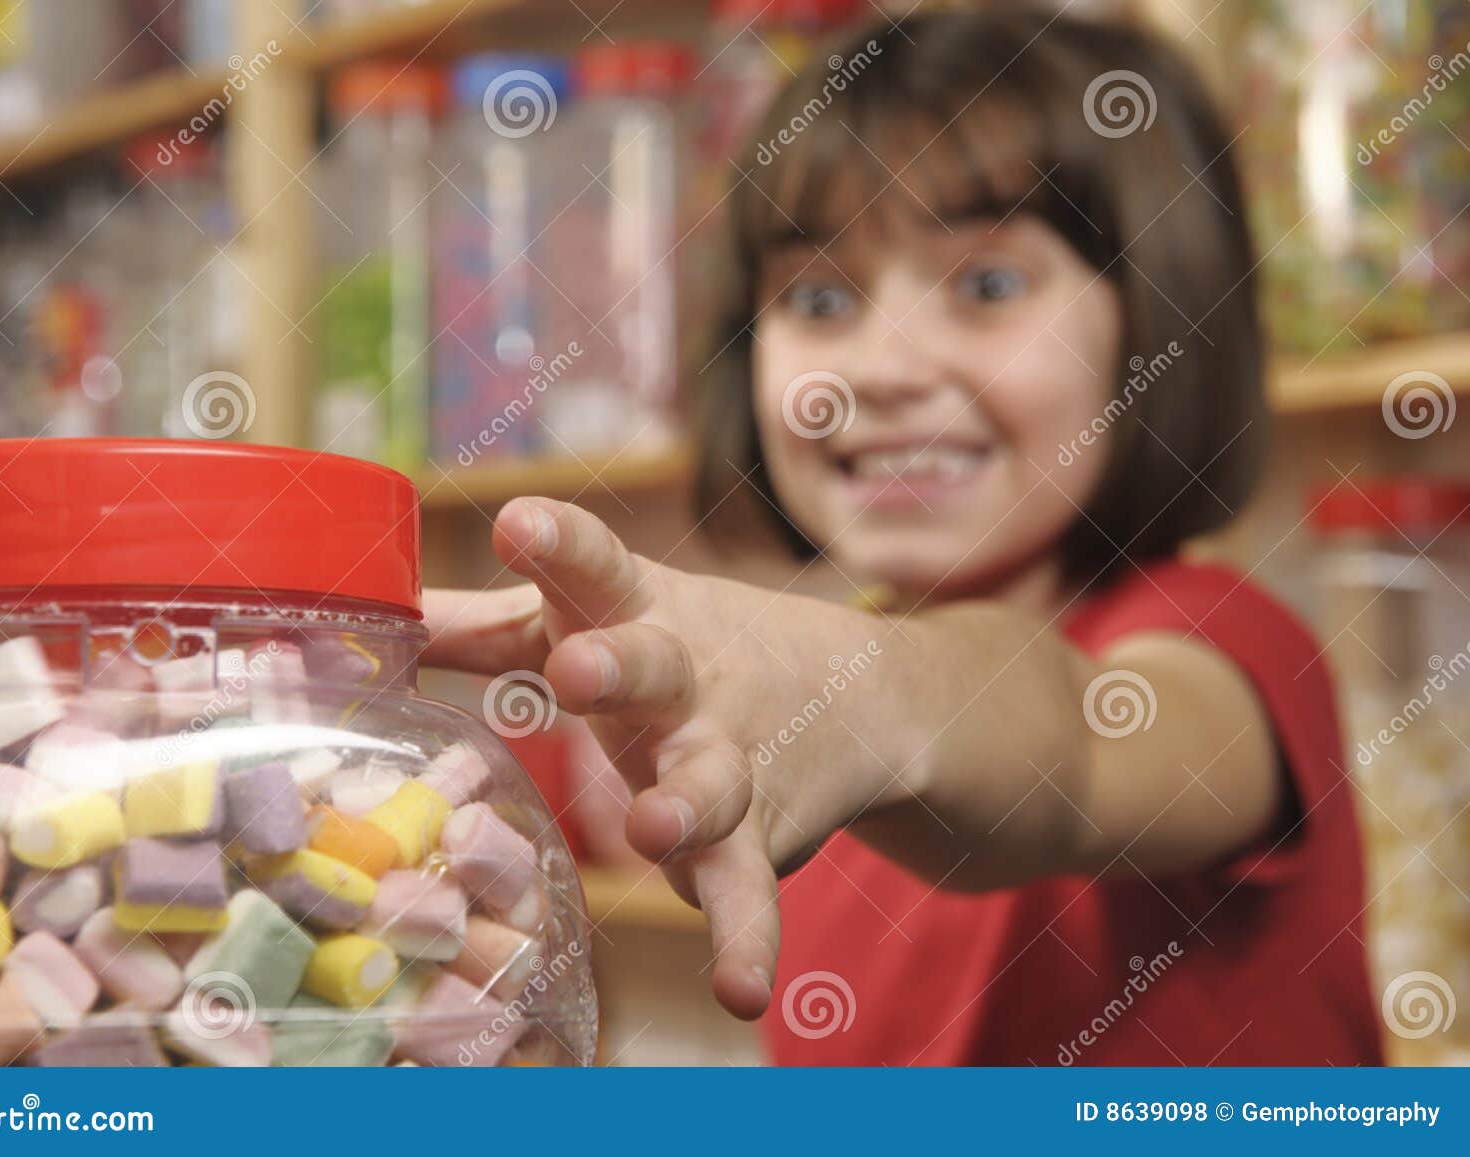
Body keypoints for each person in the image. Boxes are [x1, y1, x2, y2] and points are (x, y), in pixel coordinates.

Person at [422, 9, 1383, 1065]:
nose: (879, 368)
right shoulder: (801, 737)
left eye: (987, 284)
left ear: (1158, 323)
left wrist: (859, 692)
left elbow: (1071, 747)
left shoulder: (1226, 648)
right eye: (819, 297)